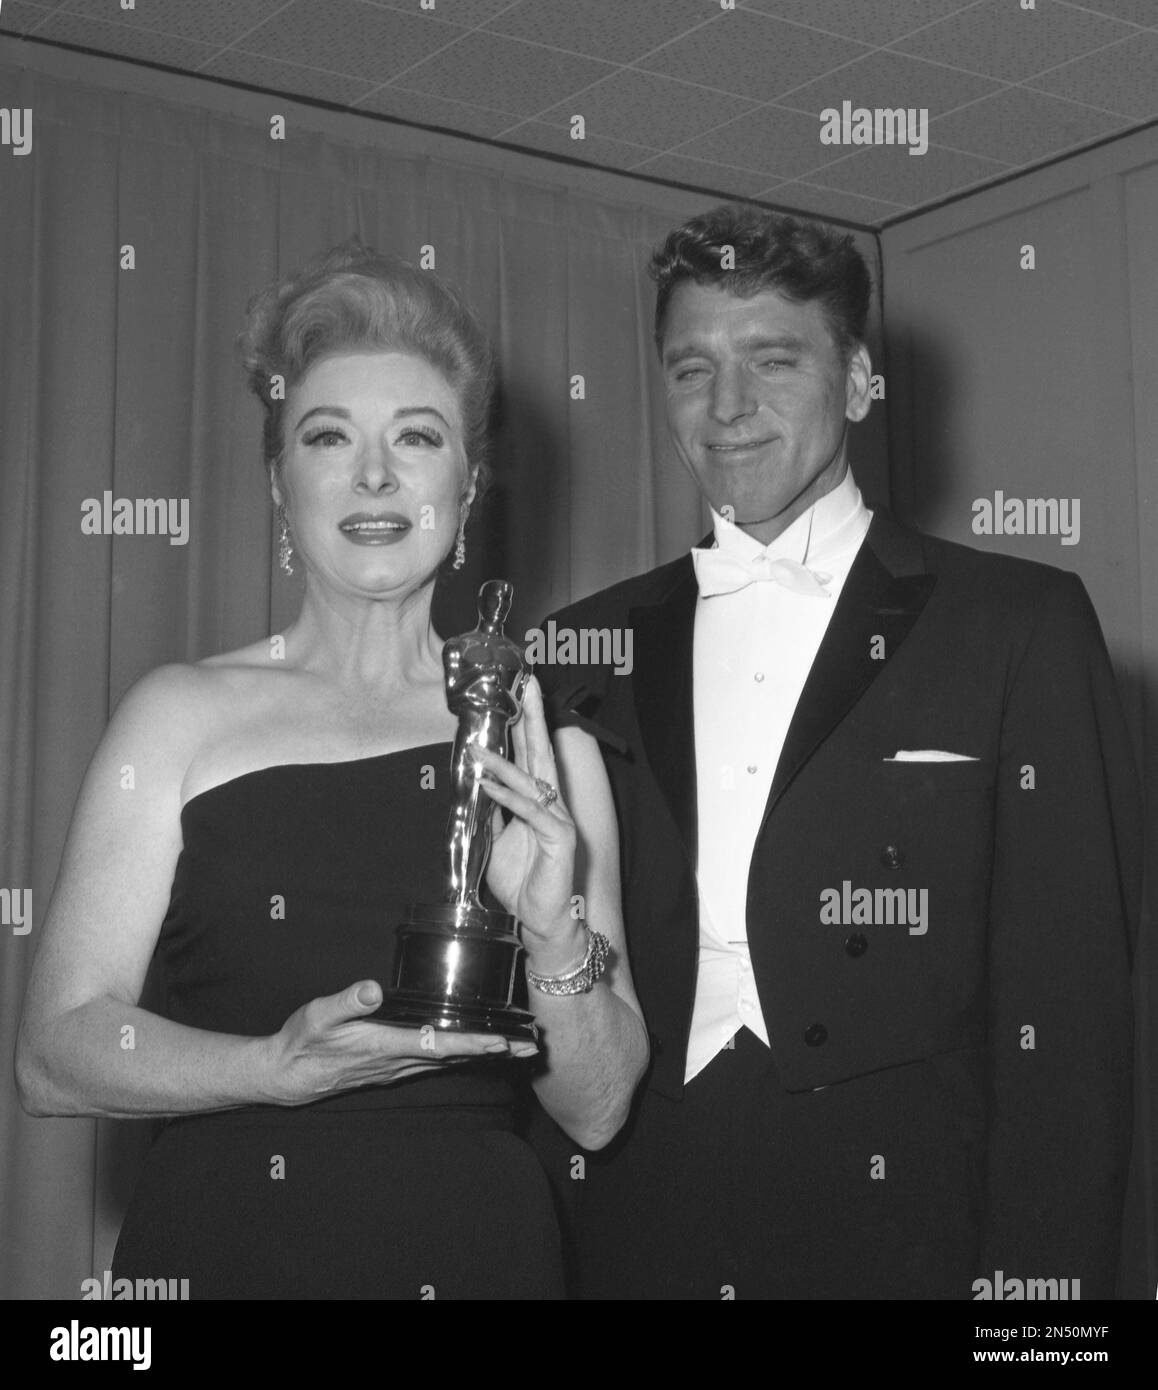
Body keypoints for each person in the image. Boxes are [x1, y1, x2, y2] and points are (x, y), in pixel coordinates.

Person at [15, 242, 647, 1300]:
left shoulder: (547, 741)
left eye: (417, 437)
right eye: (328, 437)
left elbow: (598, 1105)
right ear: (280, 484)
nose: (375, 475)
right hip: (223, 1251)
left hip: (479, 1254)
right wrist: (272, 1067)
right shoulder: (175, 716)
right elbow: (54, 1052)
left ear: (468, 485)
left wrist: (549, 929)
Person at [534, 205, 1140, 1300]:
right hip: (636, 1215)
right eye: (692, 369)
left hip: (914, 1219)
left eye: (772, 360)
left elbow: (1074, 1019)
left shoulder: (1020, 623)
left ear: (859, 380)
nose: (727, 407)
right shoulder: (580, 650)